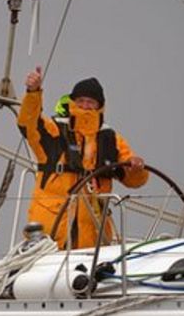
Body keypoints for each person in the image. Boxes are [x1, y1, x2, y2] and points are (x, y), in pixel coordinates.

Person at [17, 65, 148, 248]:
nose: (85, 106)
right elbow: (28, 123)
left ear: (100, 107)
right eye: (80, 101)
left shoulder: (110, 139)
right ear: (72, 102)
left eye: (91, 102)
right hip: (51, 237)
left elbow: (135, 180)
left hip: (94, 240)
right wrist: (33, 93)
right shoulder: (54, 131)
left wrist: (135, 168)